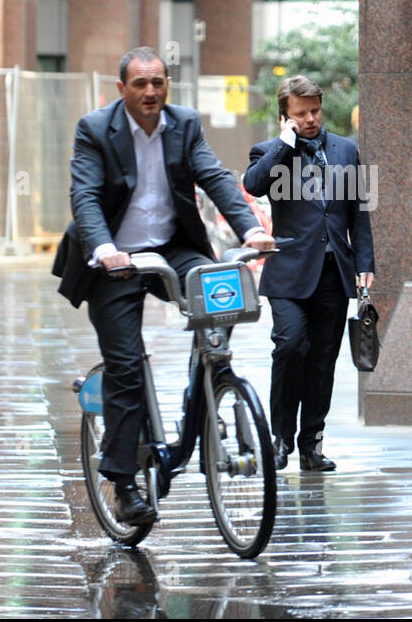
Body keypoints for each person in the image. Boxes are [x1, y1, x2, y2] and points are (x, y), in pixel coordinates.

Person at [55, 46, 274, 525]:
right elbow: (85, 196)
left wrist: (250, 229)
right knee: (126, 364)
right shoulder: (95, 129)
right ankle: (124, 483)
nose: (151, 92)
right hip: (115, 257)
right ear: (122, 89)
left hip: (173, 247)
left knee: (223, 299)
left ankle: (211, 381)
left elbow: (215, 177)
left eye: (159, 82)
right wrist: (104, 247)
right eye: (140, 84)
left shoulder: (185, 123)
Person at [243, 75, 374, 472]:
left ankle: (311, 445)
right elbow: (254, 183)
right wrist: (285, 143)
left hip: (335, 273)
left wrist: (365, 263)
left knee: (322, 360)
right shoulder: (270, 151)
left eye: (315, 110)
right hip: (288, 273)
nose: (311, 118)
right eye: (301, 114)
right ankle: (279, 438)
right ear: (286, 116)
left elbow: (358, 212)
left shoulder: (347, 151)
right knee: (289, 346)